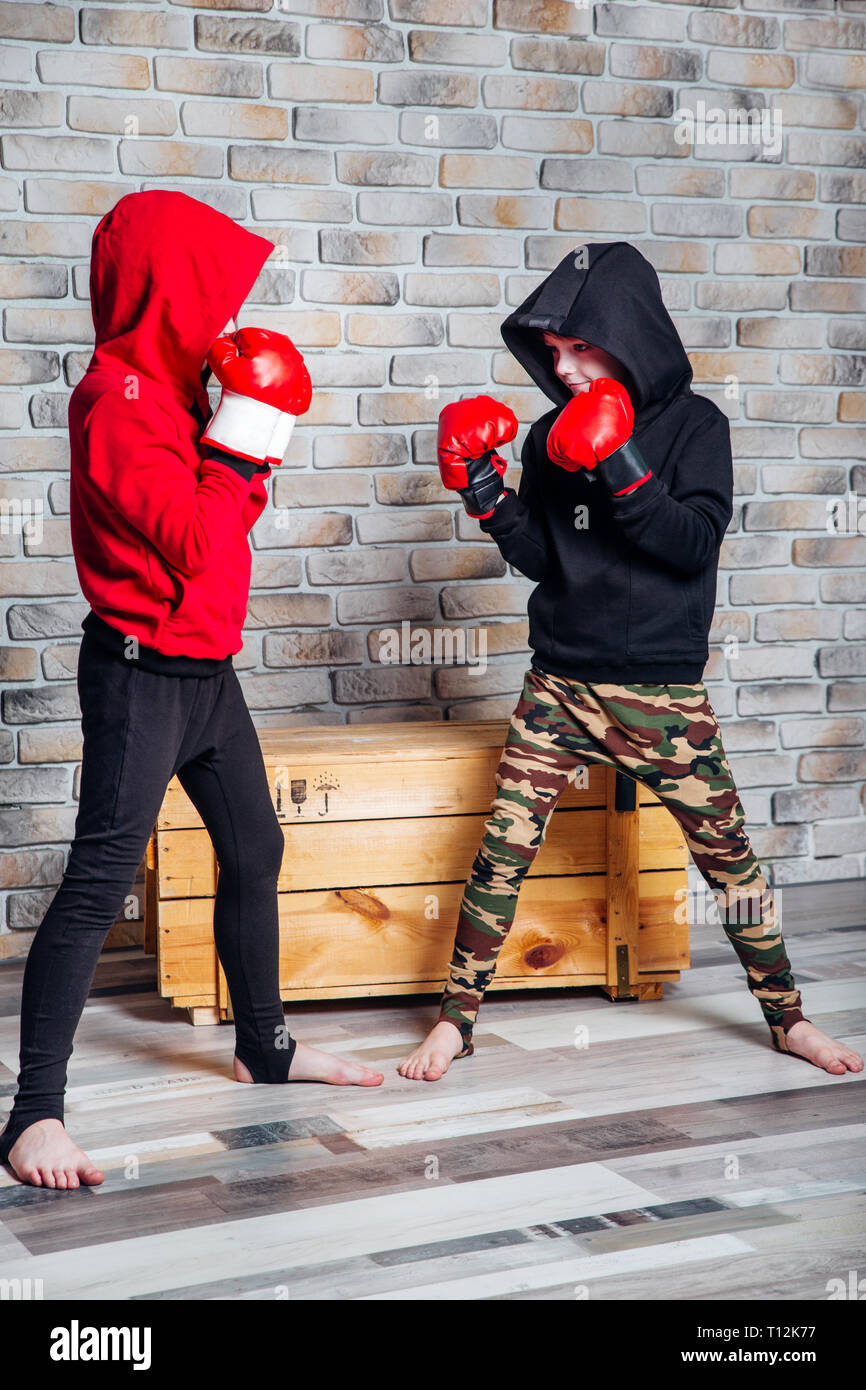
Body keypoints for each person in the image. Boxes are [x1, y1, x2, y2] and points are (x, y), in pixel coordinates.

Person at [399, 240, 864, 1084]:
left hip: (662, 695)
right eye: (555, 353)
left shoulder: (697, 427)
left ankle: (790, 1017)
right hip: (559, 683)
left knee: (731, 864)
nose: (565, 368)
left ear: (628, 335)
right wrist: (487, 496)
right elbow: (544, 558)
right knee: (501, 853)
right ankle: (455, 1023)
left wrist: (619, 462)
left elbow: (690, 547)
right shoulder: (546, 436)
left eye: (581, 347)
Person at [0, 191, 383, 1191]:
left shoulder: (174, 391)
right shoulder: (118, 402)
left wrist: (239, 436)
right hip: (140, 680)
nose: (222, 323)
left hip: (206, 671)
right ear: (163, 294)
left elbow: (215, 532)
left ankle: (265, 1047)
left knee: (254, 845)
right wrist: (250, 435)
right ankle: (34, 1114)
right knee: (95, 884)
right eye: (207, 299)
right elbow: (201, 538)